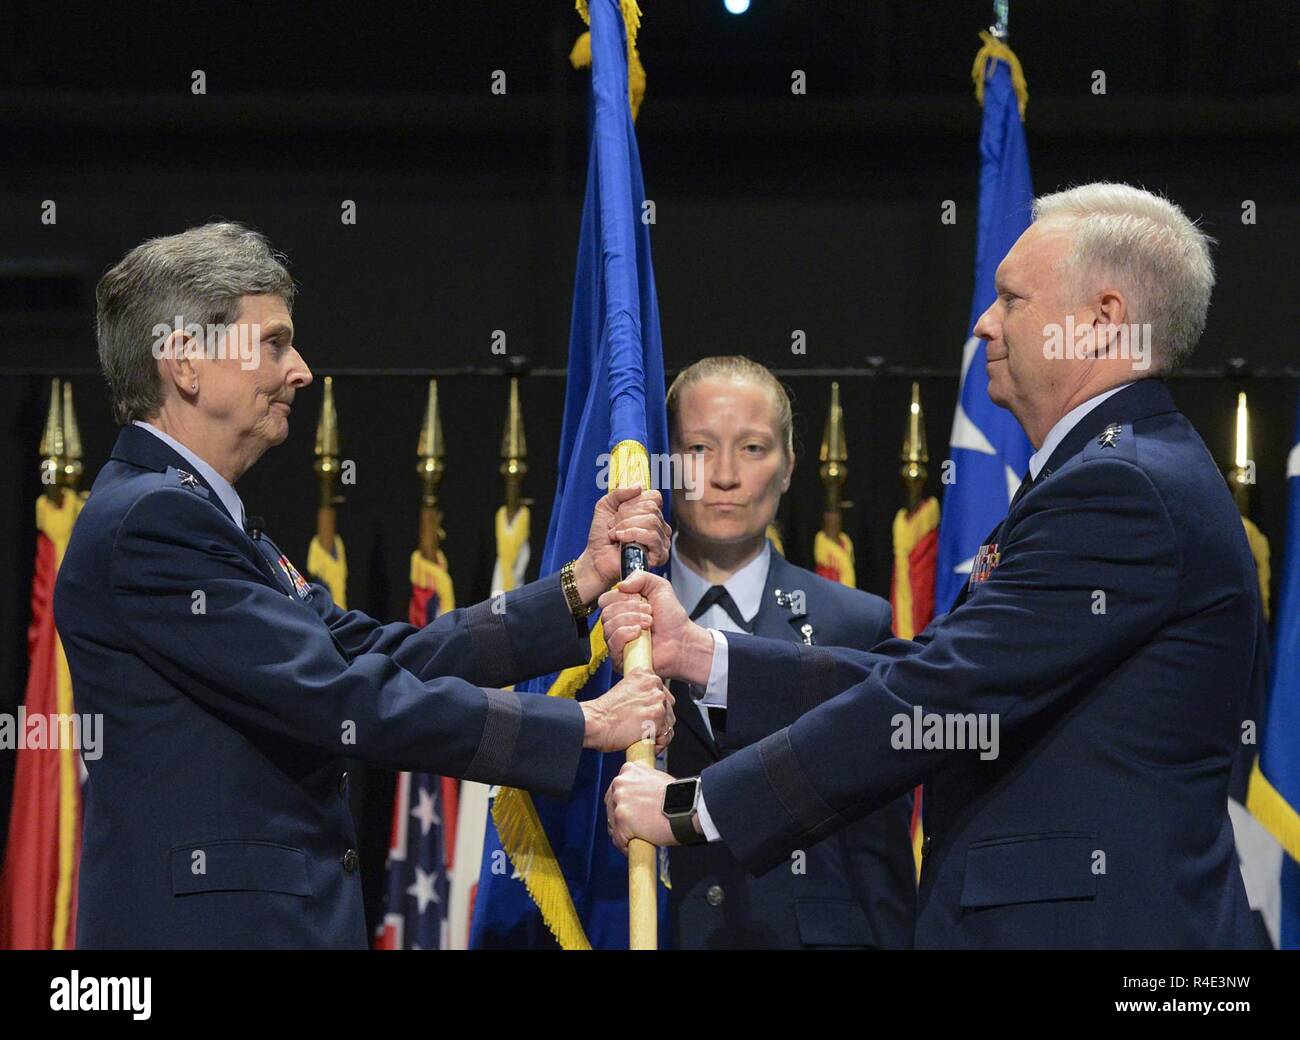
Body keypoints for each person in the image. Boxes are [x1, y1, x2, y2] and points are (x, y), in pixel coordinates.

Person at [602, 183, 1267, 949]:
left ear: (1101, 320)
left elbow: (941, 693)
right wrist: (703, 656)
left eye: (1011, 299)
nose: (984, 322)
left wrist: (694, 807)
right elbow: (937, 676)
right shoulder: (1117, 471)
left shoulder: (1123, 487)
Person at [55, 222, 675, 949]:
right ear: (187, 362)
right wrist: (585, 725)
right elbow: (339, 696)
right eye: (274, 343)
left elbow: (375, 655)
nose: (300, 371)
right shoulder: (154, 522)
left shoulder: (192, 512)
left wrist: (581, 581)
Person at [644, 356, 913, 948]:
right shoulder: (615, 623)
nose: (724, 476)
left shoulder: (853, 624)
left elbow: (878, 855)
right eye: (698, 448)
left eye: (752, 448)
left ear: (789, 466)